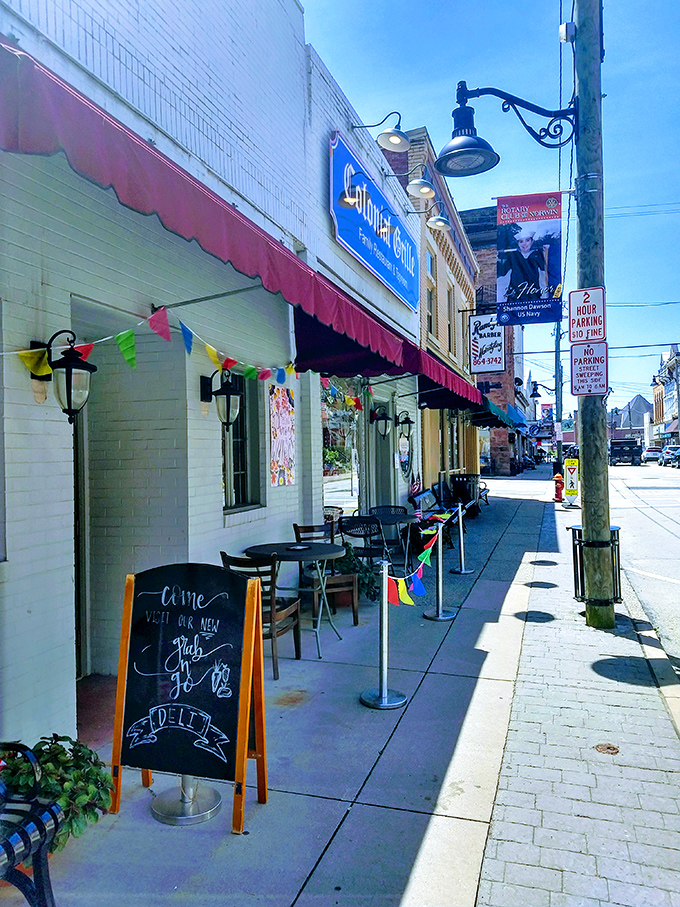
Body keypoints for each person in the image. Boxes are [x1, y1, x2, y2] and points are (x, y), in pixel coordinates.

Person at [497, 228, 549, 304]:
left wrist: (546, 253)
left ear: (532, 242)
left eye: (527, 240)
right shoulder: (513, 255)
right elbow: (502, 271)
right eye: (521, 241)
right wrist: (498, 258)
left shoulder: (537, 255)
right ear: (518, 243)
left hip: (533, 294)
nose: (524, 244)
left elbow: (545, 268)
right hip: (515, 295)